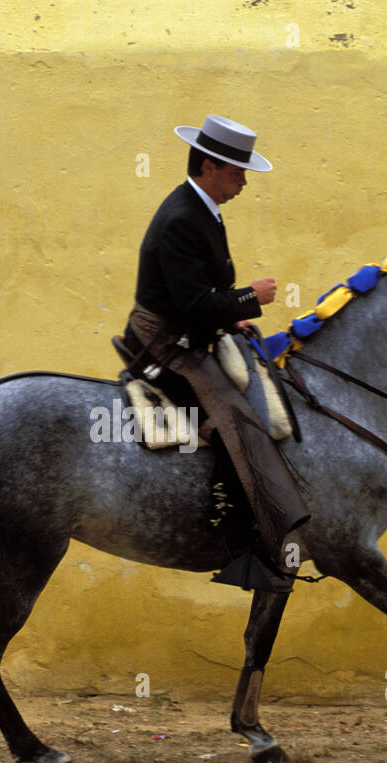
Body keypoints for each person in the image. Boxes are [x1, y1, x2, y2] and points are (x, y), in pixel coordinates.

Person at [126, 115, 310, 592]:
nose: (244, 182)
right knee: (239, 418)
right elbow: (192, 306)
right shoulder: (183, 218)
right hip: (166, 344)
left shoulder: (201, 207)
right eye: (237, 172)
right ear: (209, 167)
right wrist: (250, 298)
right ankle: (236, 535)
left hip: (190, 331)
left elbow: (200, 294)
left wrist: (233, 318)